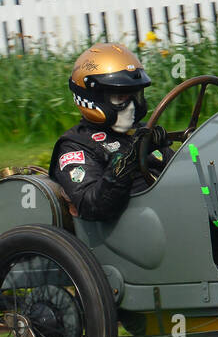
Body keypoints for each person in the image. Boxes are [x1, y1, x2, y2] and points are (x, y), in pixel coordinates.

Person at [49, 44, 169, 222]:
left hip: (169, 210)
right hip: (135, 229)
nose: (132, 106)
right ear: (90, 97)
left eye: (135, 95)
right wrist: (128, 162)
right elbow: (93, 207)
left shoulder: (141, 131)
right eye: (119, 97)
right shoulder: (75, 146)